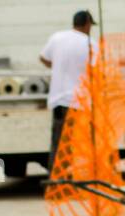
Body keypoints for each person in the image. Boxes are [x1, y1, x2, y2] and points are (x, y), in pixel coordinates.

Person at [40, 10, 96, 173]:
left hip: (59, 100)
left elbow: (43, 57)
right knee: (81, 142)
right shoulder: (89, 43)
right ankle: (80, 176)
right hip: (80, 101)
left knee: (59, 141)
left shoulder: (57, 37)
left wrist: (57, 67)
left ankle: (57, 178)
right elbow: (96, 70)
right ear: (87, 24)